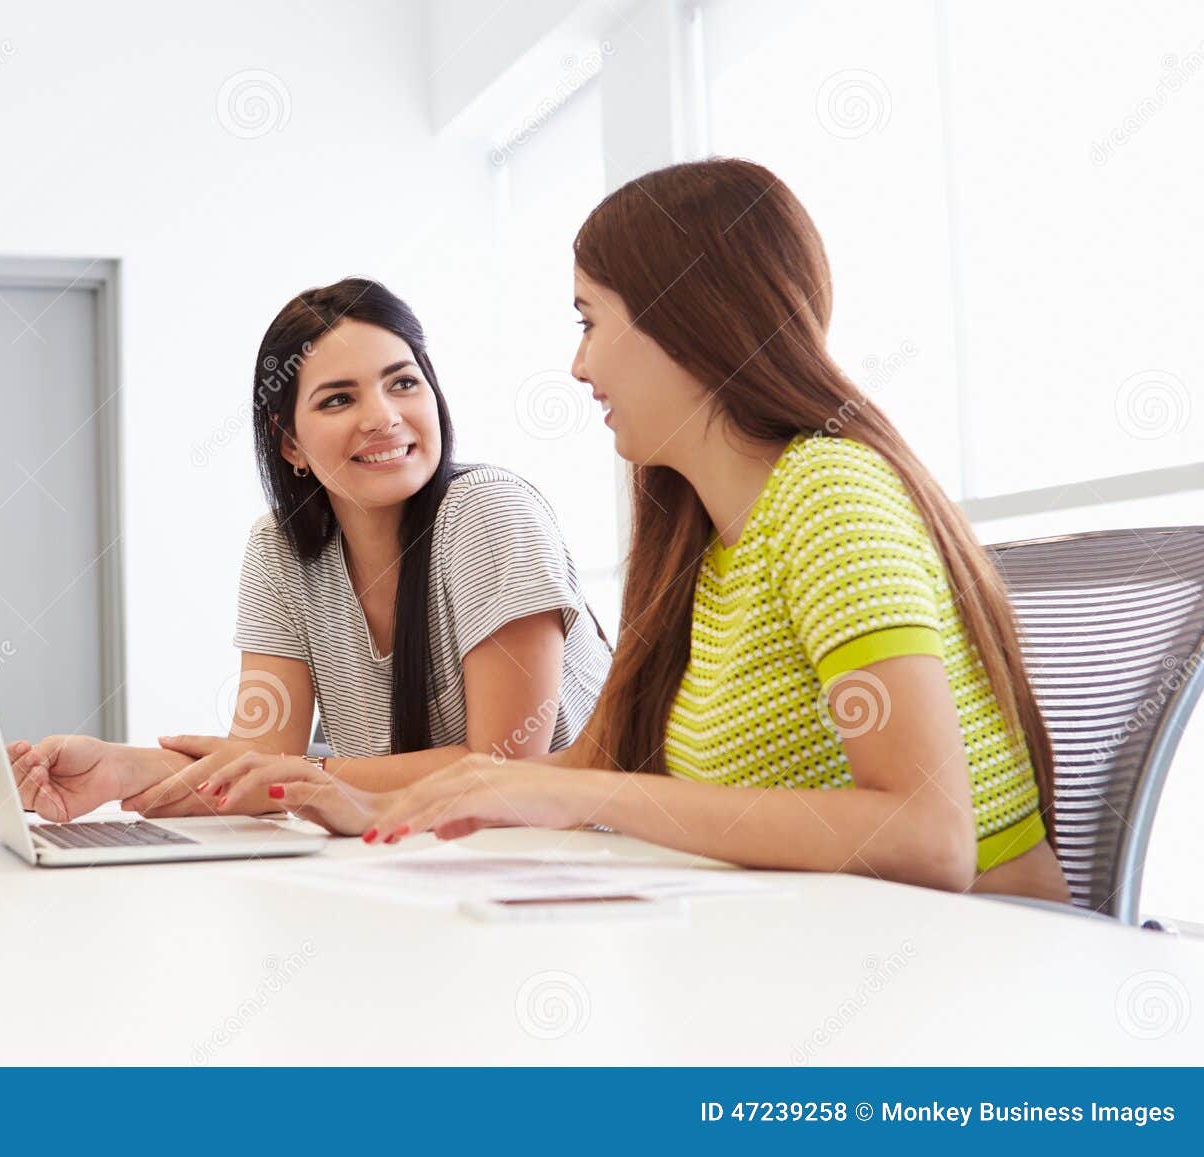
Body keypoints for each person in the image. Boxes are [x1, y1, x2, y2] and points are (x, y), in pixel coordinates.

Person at [199, 160, 1072, 902]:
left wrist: (609, 798)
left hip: (974, 974)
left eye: (589, 320)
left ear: (683, 323)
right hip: (813, 946)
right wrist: (390, 807)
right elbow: (590, 765)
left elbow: (929, 837)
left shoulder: (829, 494)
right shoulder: (694, 532)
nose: (578, 364)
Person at [9, 278, 611, 823]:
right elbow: (262, 758)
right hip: (427, 860)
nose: (383, 417)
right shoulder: (279, 547)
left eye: (403, 382)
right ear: (289, 442)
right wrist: (121, 769)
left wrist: (311, 778)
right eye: (338, 399)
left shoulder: (491, 514)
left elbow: (503, 768)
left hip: (586, 859)